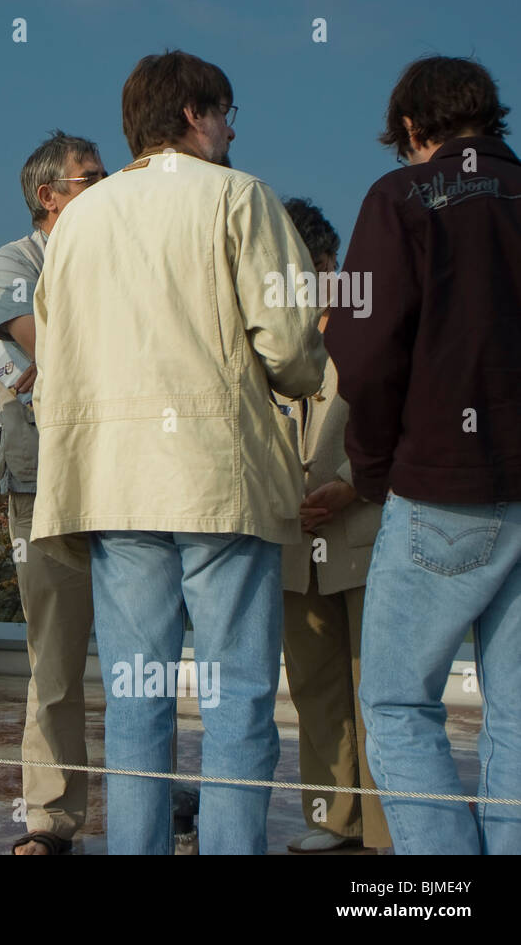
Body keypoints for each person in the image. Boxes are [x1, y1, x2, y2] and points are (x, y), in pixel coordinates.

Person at [31, 50, 326, 854]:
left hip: (113, 483)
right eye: (227, 112)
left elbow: (56, 362)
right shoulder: (240, 196)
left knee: (135, 702)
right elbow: (294, 347)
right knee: (236, 702)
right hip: (216, 476)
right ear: (196, 115)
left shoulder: (78, 221)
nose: (233, 128)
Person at [324, 56, 521, 855]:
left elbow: (362, 356)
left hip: (445, 482)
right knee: (514, 710)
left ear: (412, 129)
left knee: (400, 705)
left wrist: (372, 470)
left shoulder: (401, 197)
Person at [0, 131, 105, 855]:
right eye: (90, 178)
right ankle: (51, 817)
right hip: (42, 484)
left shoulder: (122, 251)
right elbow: (41, 346)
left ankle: (159, 799)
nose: (107, 184)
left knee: (139, 653)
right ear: (48, 196)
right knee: (55, 661)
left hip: (122, 473)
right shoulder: (14, 261)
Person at [275, 197, 391, 853]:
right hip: (296, 536)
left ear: (323, 263)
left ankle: (384, 832)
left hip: (364, 527)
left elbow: (392, 415)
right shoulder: (271, 339)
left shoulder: (368, 324)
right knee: (315, 688)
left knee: (374, 687)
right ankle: (332, 820)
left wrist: (353, 484)